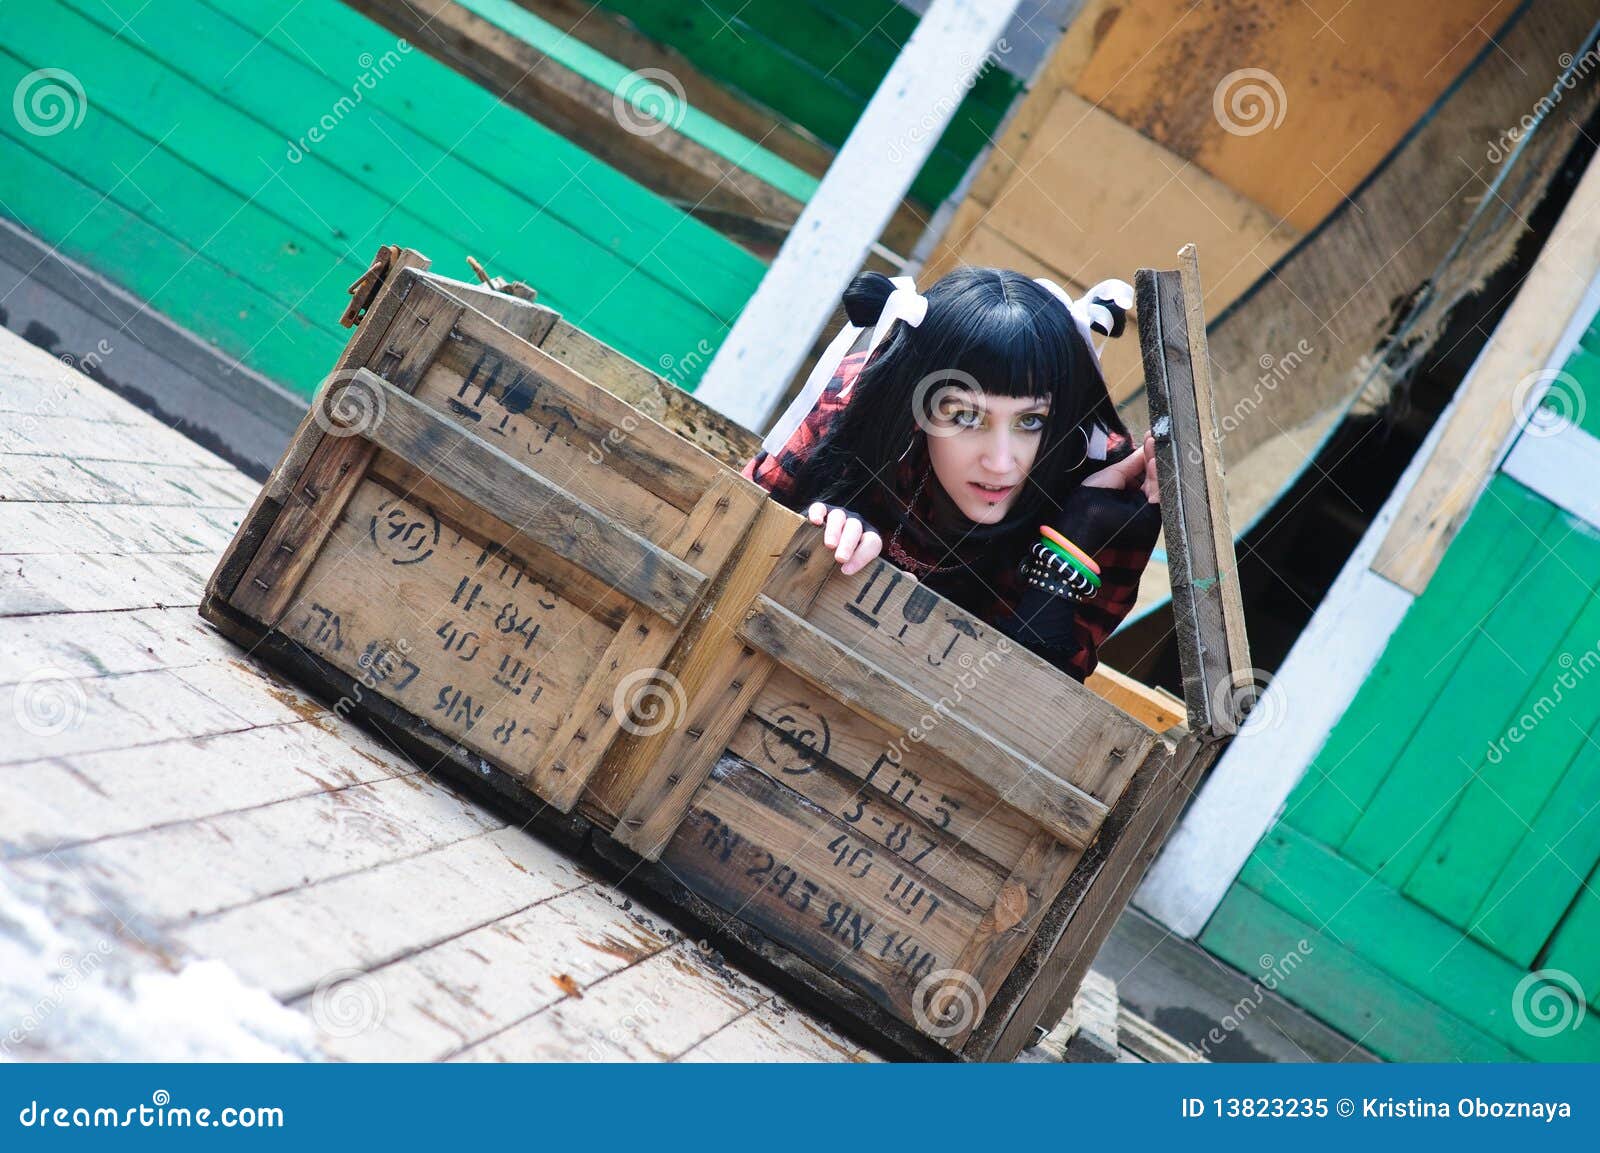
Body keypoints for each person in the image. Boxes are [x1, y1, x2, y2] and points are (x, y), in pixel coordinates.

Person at [740, 266, 1162, 682]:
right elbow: (729, 531)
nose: (1001, 462)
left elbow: (1028, 711)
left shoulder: (1099, 484)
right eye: (965, 416)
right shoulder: (854, 404)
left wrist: (1069, 549)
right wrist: (817, 536)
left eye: (1031, 421)